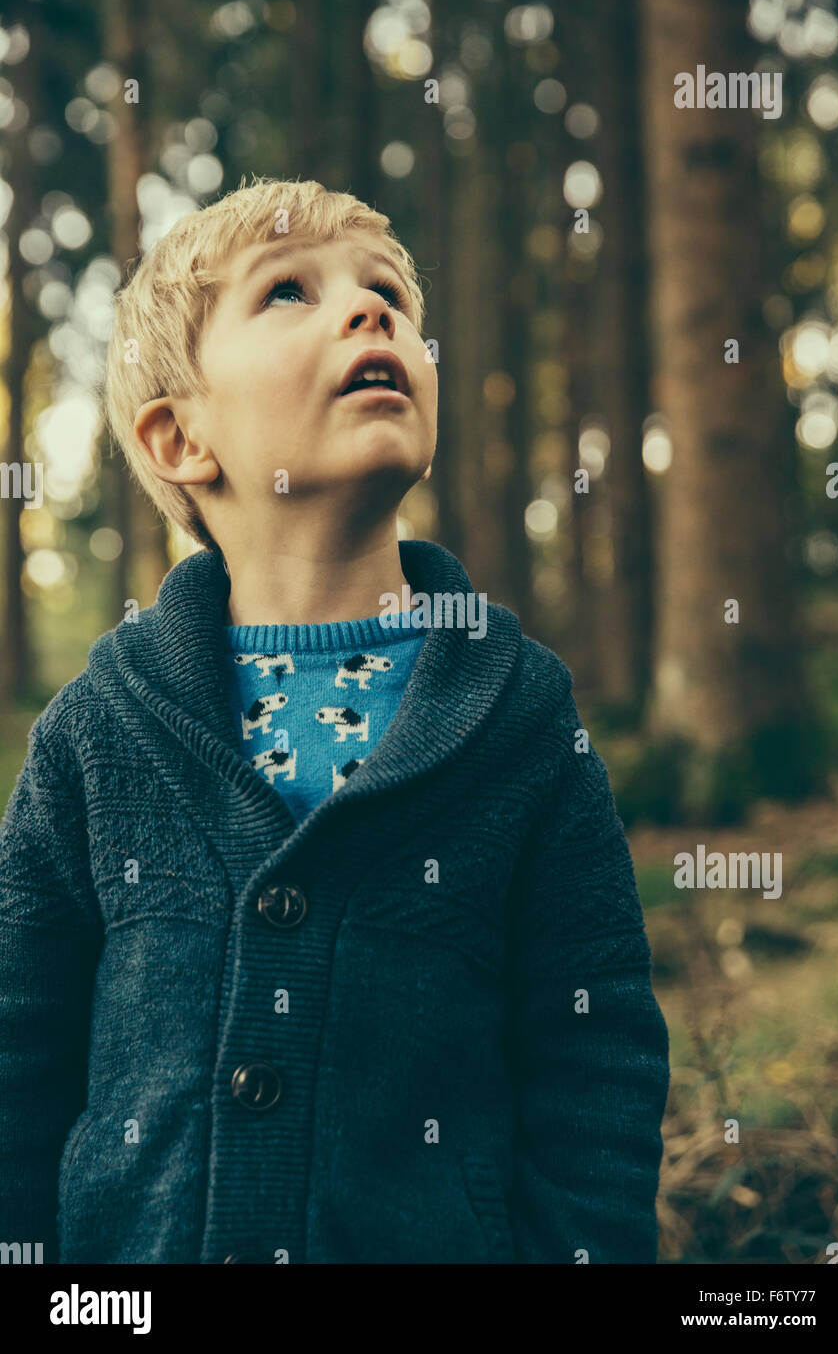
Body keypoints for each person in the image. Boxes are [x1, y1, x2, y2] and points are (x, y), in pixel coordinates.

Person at [0, 176, 669, 1264]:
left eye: (390, 296)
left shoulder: (522, 721)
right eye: (288, 293)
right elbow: (18, 1062)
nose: (372, 312)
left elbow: (594, 1064)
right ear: (179, 440)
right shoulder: (96, 737)